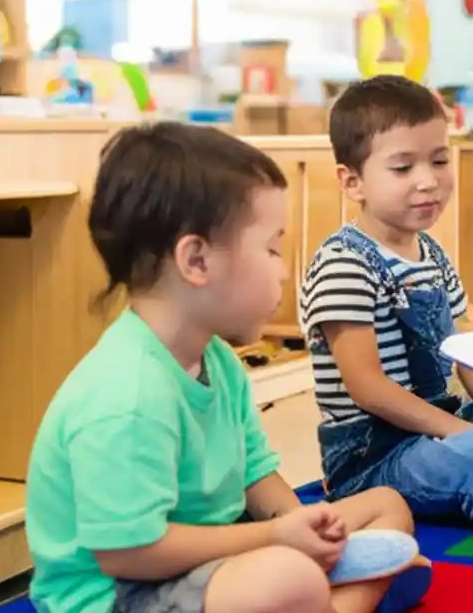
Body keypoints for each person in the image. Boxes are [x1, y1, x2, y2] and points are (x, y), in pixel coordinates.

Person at [25, 122, 433, 613]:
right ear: (196, 260)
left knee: (385, 504)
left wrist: (307, 526)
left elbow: (254, 473)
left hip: (213, 557)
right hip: (121, 592)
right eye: (272, 249)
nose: (284, 270)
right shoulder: (128, 393)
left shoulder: (217, 360)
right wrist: (276, 539)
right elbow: (128, 552)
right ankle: (345, 597)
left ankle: (334, 595)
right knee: (288, 580)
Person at [300, 75, 473, 525]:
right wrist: (463, 434)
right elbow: (367, 387)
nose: (429, 181)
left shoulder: (431, 254)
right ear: (352, 182)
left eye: (439, 160)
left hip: (436, 431)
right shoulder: (344, 262)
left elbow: (466, 352)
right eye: (403, 168)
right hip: (372, 458)